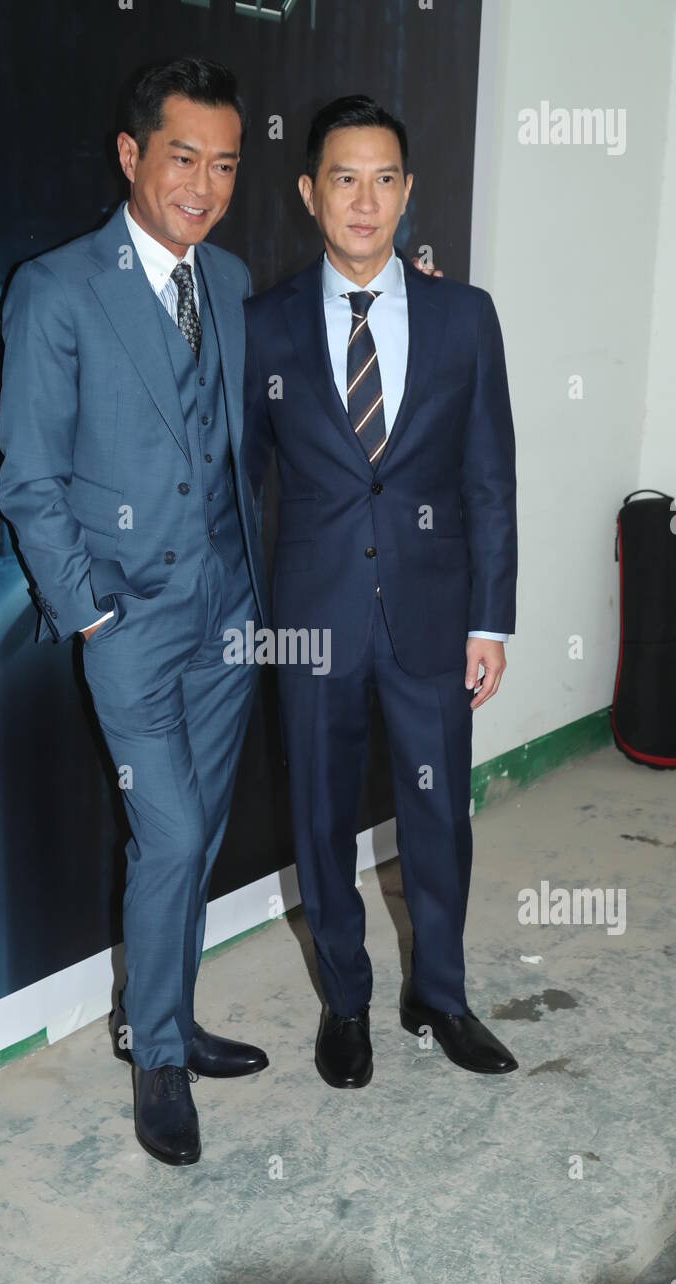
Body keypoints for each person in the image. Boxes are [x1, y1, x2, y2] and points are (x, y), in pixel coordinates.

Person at [0, 58, 271, 1167]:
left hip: (230, 610)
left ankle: (155, 1010)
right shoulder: (58, 286)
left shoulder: (238, 282)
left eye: (224, 163)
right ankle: (155, 1054)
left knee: (195, 835)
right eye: (181, 158)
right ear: (131, 156)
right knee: (165, 832)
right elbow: (29, 478)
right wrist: (91, 616)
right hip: (130, 623)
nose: (202, 185)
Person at [241, 95, 519, 1089]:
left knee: (438, 816)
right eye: (343, 178)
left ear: (408, 191)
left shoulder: (462, 316)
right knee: (317, 817)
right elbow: (239, 485)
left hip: (434, 617)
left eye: (384, 178)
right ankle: (345, 1000)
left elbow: (488, 477)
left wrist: (489, 618)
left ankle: (438, 993)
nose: (364, 200)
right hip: (311, 622)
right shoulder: (263, 326)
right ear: (310, 192)